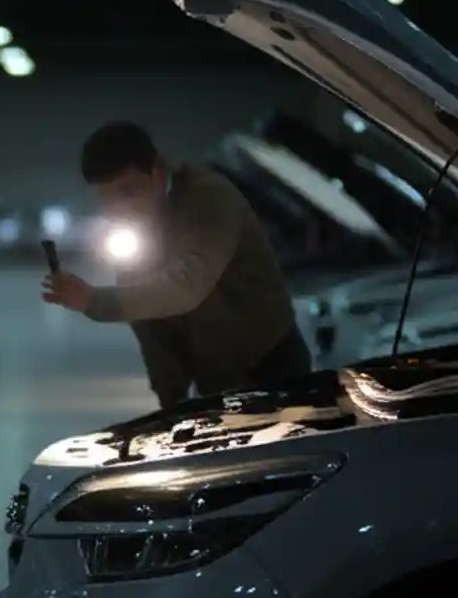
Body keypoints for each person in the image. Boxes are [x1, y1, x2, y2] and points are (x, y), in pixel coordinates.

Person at [42, 121, 311, 408]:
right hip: (217, 382)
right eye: (109, 199)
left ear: (158, 171)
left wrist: (94, 299)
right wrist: (170, 403)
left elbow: (186, 287)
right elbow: (149, 323)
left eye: (130, 191)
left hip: (272, 368)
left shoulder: (209, 198)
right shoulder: (134, 229)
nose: (122, 209)